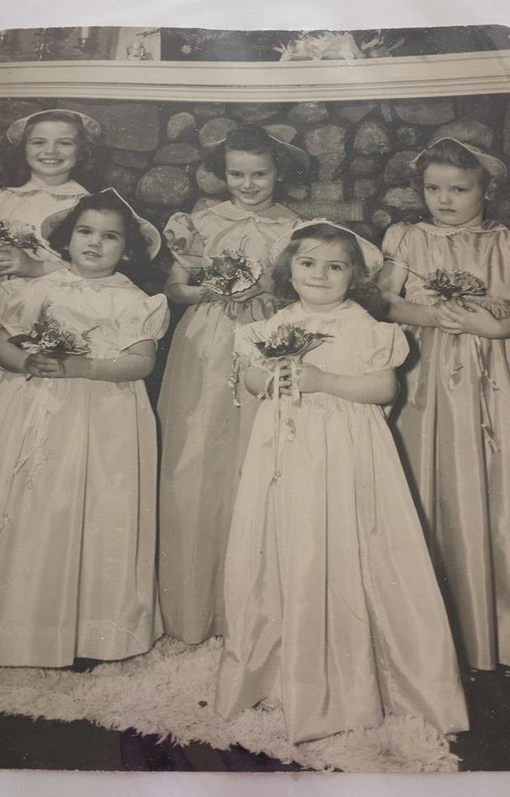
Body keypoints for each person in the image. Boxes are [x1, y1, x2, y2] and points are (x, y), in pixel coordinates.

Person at [215, 221, 469, 744]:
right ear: (288, 271)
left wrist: (323, 381)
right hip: (284, 452)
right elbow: (249, 377)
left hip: (346, 453)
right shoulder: (276, 322)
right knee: (287, 542)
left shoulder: (365, 327)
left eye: (335, 266)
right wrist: (269, 378)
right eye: (308, 263)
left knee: (341, 542)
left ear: (354, 276)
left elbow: (383, 389)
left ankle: (353, 678)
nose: (320, 274)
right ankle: (279, 666)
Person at [378, 137, 510, 677]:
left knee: (505, 476)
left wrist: (496, 326)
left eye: (459, 189)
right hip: (425, 373)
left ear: (488, 190)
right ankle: (430, 625)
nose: (444, 199)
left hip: (498, 375)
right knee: (429, 474)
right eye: (433, 188)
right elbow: (385, 299)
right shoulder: (408, 238)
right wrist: (428, 316)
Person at [0, 189, 169, 667]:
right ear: (67, 238)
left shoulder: (134, 300)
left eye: (110, 236)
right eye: (85, 231)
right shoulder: (40, 287)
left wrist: (86, 368)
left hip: (101, 417)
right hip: (33, 408)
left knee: (93, 506)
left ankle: (88, 629)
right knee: (27, 502)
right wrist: (25, 361)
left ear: (128, 249)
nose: (94, 243)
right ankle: (8, 623)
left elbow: (140, 362)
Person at [157, 125, 309, 644]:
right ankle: (191, 605)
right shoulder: (199, 222)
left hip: (265, 337)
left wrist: (264, 287)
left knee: (255, 452)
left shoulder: (295, 228)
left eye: (259, 174)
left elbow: (302, 291)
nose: (247, 184)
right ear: (222, 174)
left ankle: (254, 609)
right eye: (236, 174)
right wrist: (214, 288)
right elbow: (176, 287)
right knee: (197, 452)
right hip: (206, 341)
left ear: (278, 173)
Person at [0, 109, 101, 432]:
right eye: (39, 142)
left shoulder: (89, 205)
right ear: (24, 148)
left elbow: (93, 268)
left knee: (14, 408)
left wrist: (35, 266)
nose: (50, 151)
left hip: (42, 312)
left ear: (81, 151)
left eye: (64, 143)